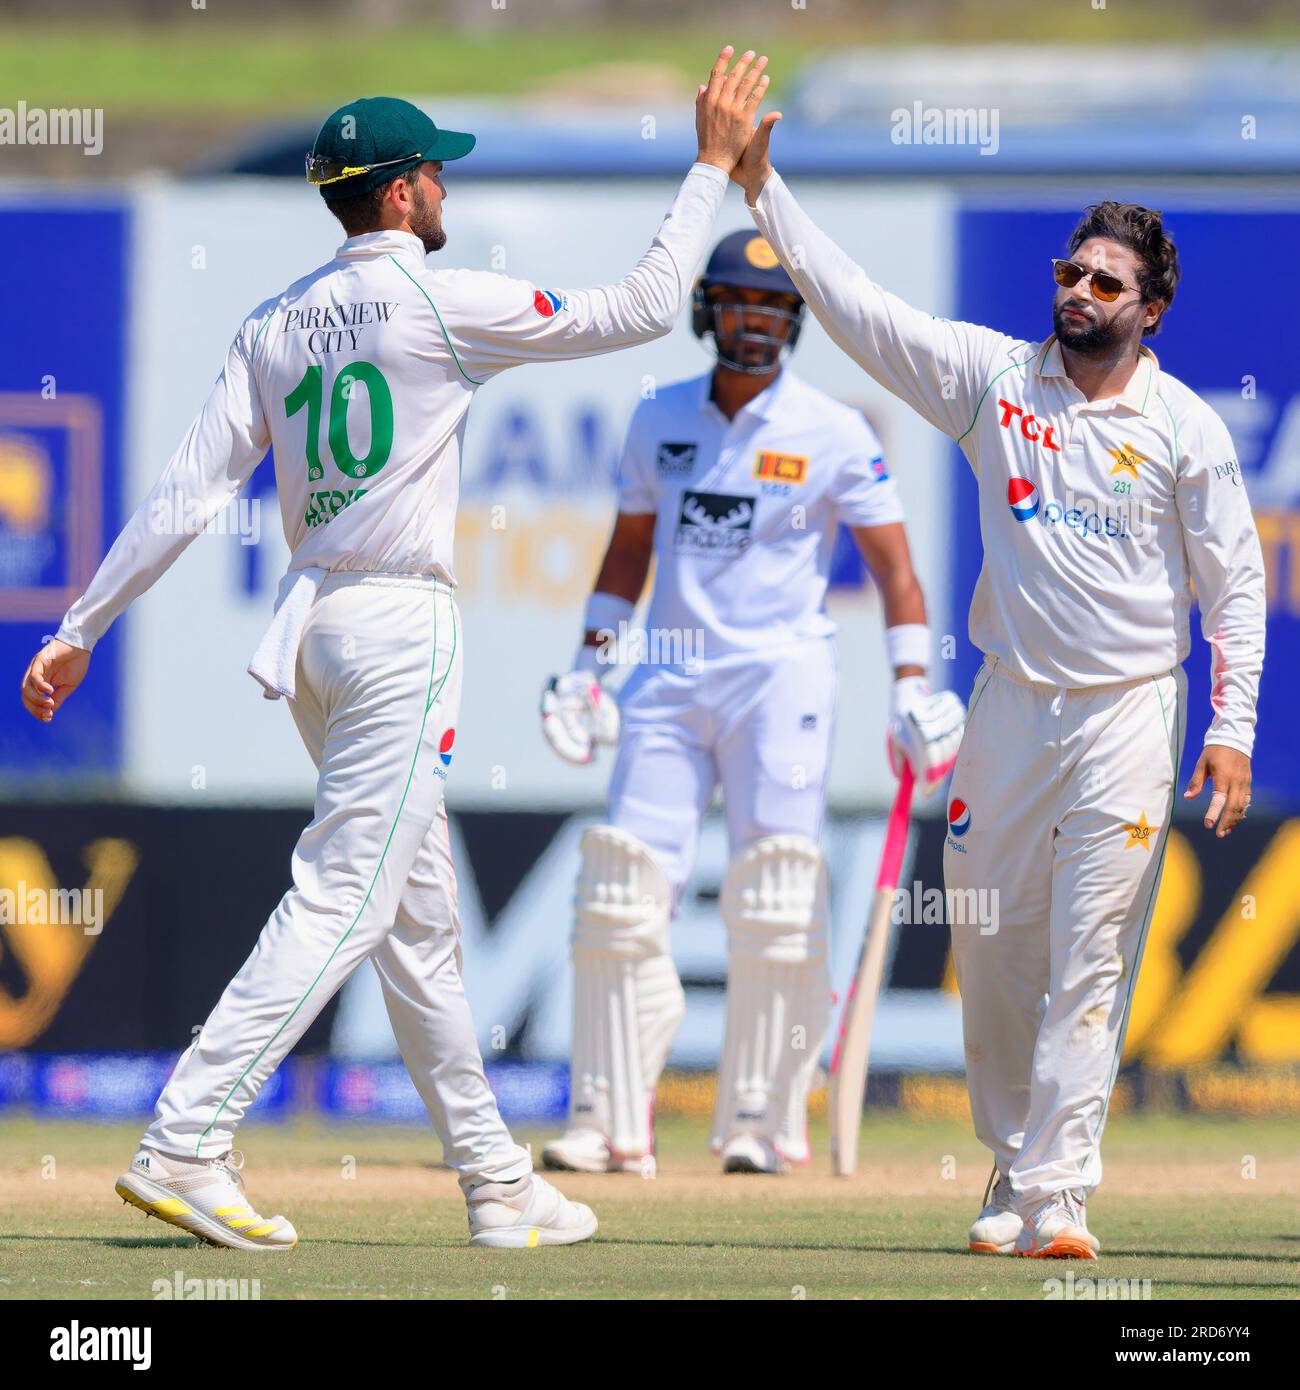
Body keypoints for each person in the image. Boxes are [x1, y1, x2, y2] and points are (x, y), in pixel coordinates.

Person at [19, 48, 774, 1251]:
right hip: (397, 627)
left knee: (418, 927)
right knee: (349, 898)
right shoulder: (441, 296)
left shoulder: (276, 320)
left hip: (313, 634)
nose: (443, 191)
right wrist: (706, 170)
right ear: (402, 192)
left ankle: (494, 1180)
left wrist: (78, 629)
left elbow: (180, 494)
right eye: (433, 175)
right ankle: (186, 1137)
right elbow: (638, 310)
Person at [731, 118, 1265, 1254]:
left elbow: (1234, 592)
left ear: (1149, 308)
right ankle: (1012, 1158)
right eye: (1068, 271)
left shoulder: (1187, 432)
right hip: (1008, 708)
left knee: (1091, 953)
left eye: (1103, 281)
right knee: (991, 947)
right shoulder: (989, 381)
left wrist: (1232, 724)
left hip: (1128, 710)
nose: (1076, 290)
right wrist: (758, 183)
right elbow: (857, 306)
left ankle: (1057, 1190)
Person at [537, 229, 965, 1177]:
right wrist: (586, 667)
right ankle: (612, 1121)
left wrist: (911, 687)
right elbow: (626, 556)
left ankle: (762, 1120)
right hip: (669, 674)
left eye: (773, 308)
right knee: (620, 886)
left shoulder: (835, 430)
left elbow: (896, 572)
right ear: (706, 311)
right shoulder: (658, 418)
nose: (756, 322)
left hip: (784, 678)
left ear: (796, 321)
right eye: (739, 303)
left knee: (777, 890)